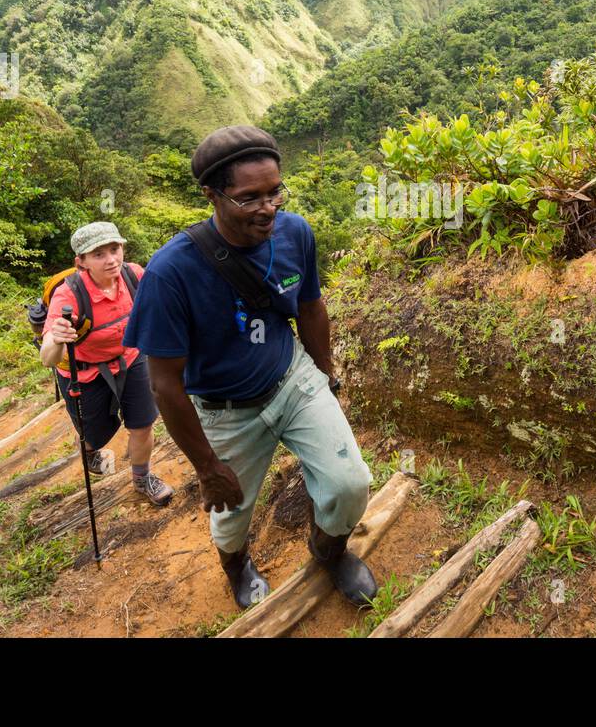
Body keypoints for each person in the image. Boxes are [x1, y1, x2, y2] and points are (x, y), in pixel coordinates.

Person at [123, 125, 376, 610]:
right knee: (231, 514)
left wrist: (323, 371)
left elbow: (310, 307)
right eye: (249, 198)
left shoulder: (295, 232)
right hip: (225, 409)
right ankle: (237, 565)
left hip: (292, 378)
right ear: (212, 195)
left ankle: (329, 552)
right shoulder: (170, 273)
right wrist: (207, 466)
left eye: (274, 191)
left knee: (350, 483)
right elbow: (165, 385)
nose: (268, 207)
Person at [41, 221, 173, 507]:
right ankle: (90, 451)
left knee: (143, 424)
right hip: (85, 373)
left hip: (130, 358)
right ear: (82, 262)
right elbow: (47, 358)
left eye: (115, 249)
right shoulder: (70, 294)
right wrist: (57, 340)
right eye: (99, 254)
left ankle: (142, 479)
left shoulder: (134, 276)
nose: (111, 259)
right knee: (95, 434)